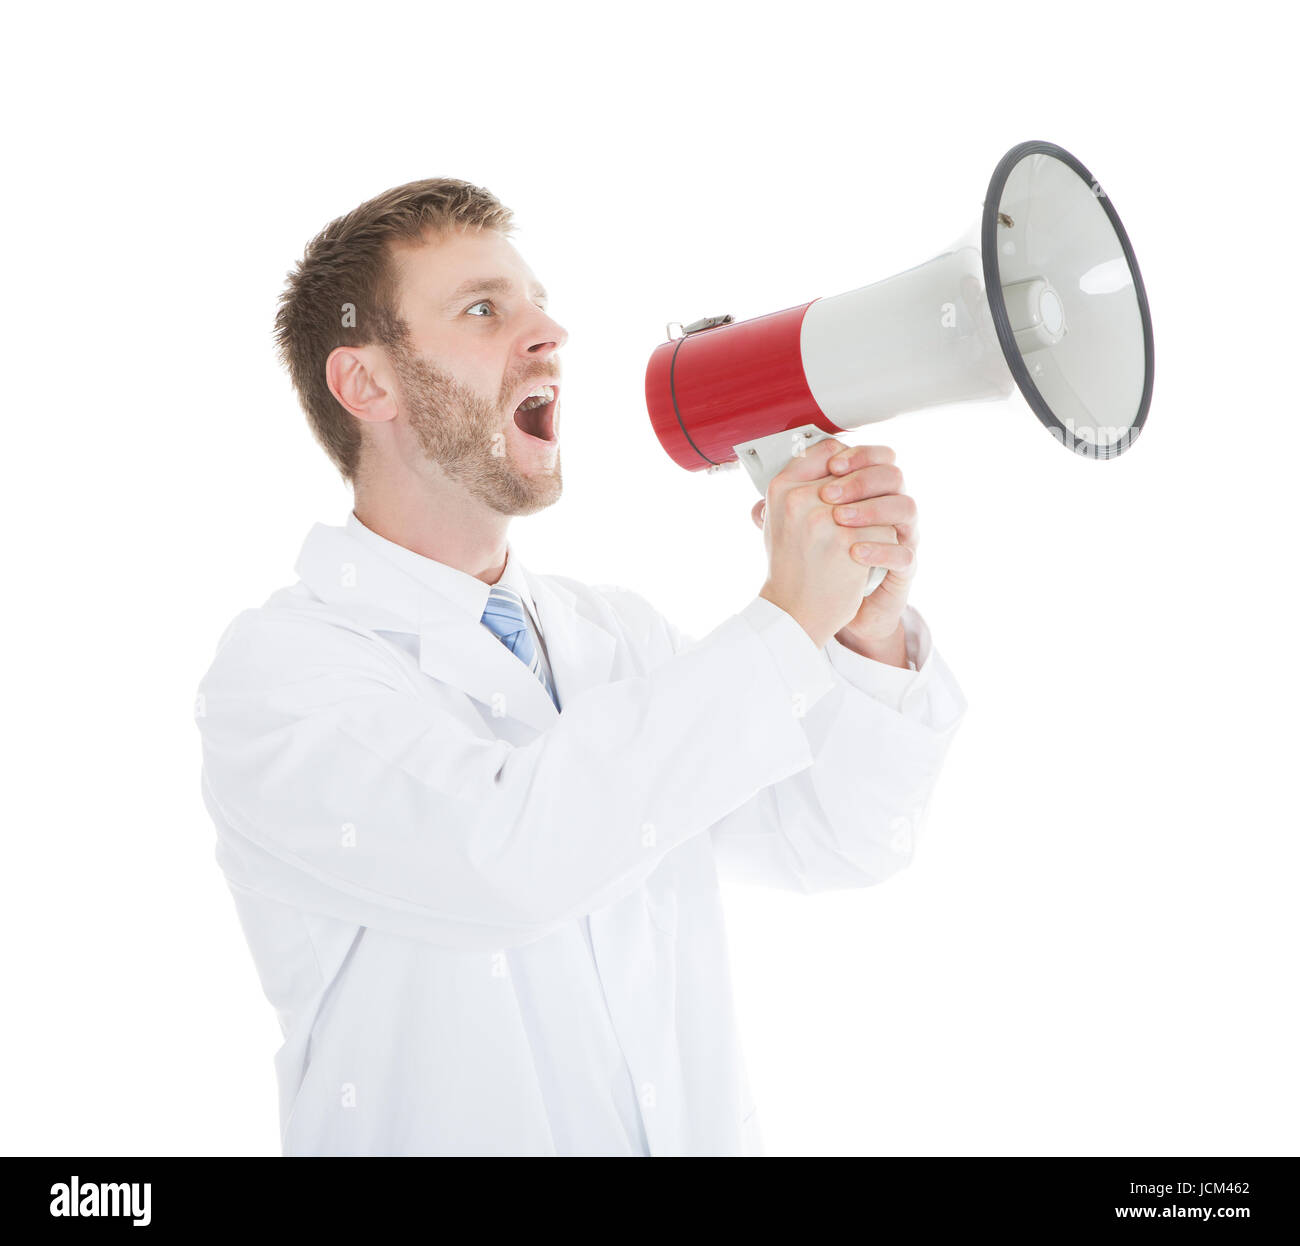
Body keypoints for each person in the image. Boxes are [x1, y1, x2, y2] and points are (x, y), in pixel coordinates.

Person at [194, 178, 967, 1157]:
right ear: (367, 384)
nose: (548, 330)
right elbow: (502, 860)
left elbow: (835, 840)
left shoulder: (618, 638)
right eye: (483, 309)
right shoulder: (283, 674)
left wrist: (860, 632)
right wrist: (783, 622)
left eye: (536, 301)